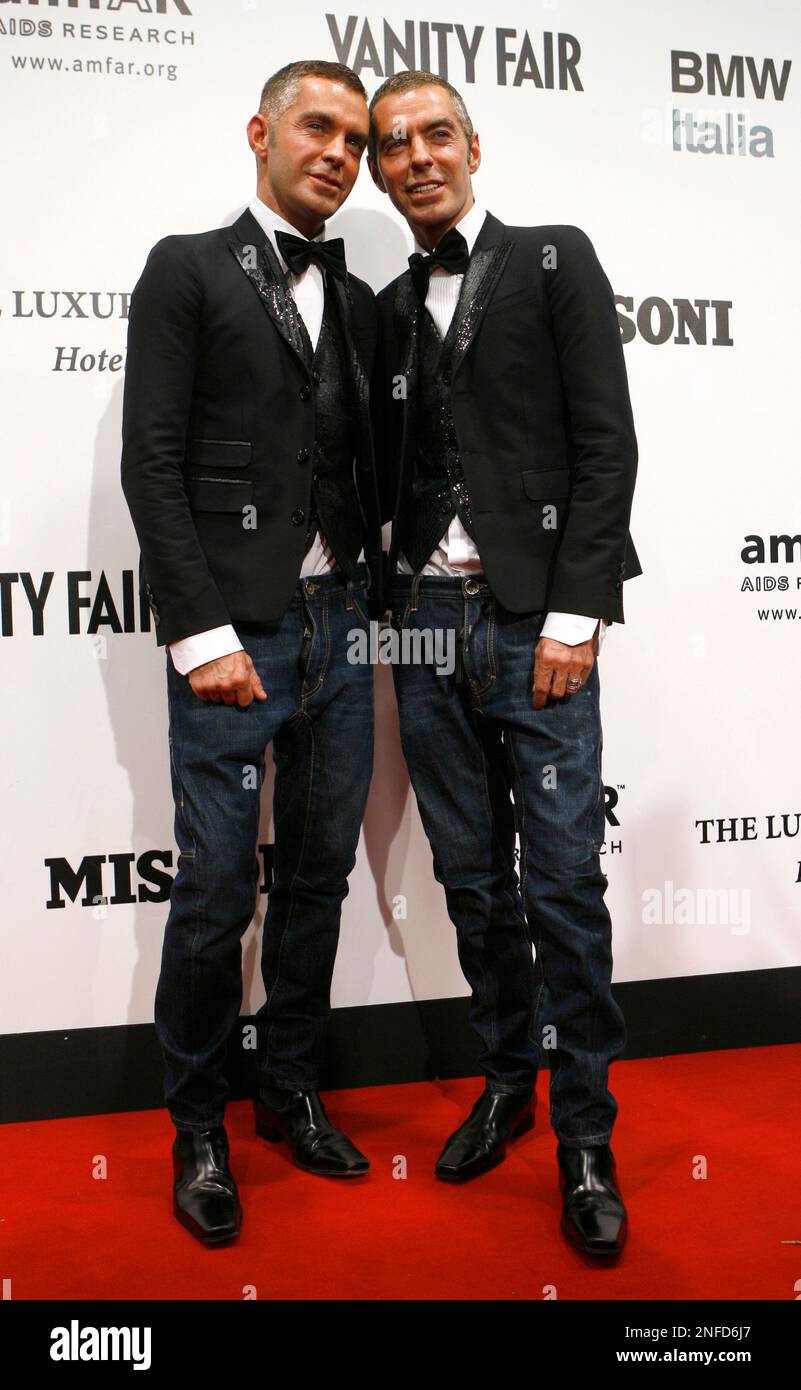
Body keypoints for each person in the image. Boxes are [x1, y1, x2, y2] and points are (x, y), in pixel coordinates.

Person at [368, 70, 642, 1257]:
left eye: (437, 134)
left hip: (538, 620)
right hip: (423, 618)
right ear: (379, 171)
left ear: (473, 146)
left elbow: (606, 439)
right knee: (474, 880)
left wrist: (579, 616)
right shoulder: (381, 303)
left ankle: (586, 1134)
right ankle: (506, 1081)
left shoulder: (552, 259)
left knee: (565, 885)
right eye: (395, 145)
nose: (418, 156)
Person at [121, 59, 382, 1246]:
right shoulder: (186, 265)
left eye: (355, 139)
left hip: (341, 626)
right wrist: (200, 631)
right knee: (220, 891)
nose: (337, 150)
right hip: (236, 636)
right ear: (261, 133)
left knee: (317, 882)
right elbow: (153, 465)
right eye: (316, 127)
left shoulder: (363, 294)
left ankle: (289, 1095)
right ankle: (200, 1126)